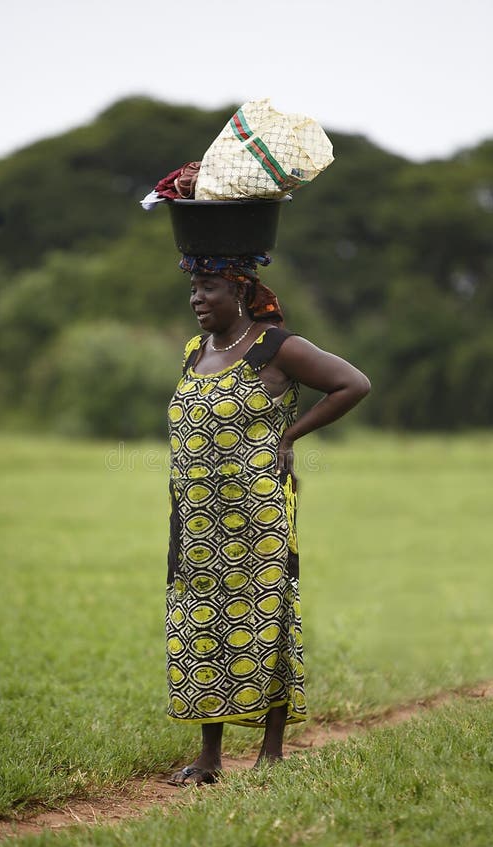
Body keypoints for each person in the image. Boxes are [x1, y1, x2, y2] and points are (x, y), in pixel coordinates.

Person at [166, 253, 370, 786]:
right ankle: (209, 757)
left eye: (208, 287)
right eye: (193, 289)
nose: (197, 299)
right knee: (201, 628)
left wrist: (289, 435)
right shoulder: (194, 352)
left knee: (266, 622)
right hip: (197, 520)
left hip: (258, 516)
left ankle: (270, 752)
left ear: (239, 290)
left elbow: (353, 384)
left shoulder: (277, 348)